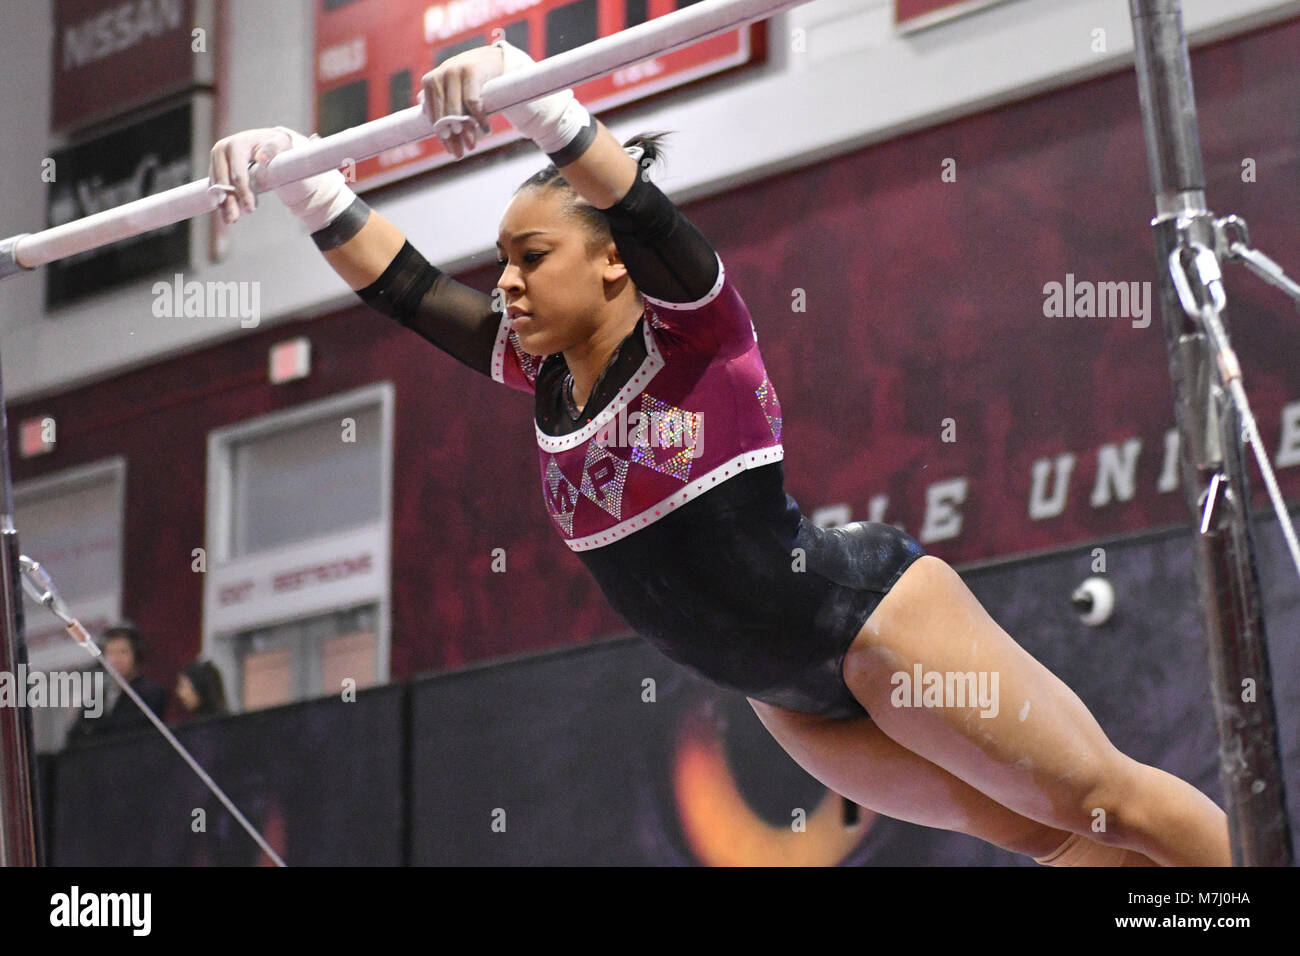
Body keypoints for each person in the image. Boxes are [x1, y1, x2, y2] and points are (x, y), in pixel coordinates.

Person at [209, 40, 1231, 866]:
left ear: (611, 260)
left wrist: (540, 105)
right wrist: (302, 179)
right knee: (1040, 834)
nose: (505, 285)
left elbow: (651, 217)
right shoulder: (543, 380)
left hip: (867, 621)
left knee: (1101, 799)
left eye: (529, 258)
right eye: (501, 266)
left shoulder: (696, 341)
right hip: (787, 697)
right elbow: (407, 288)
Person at [65, 623, 168, 746]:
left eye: (123, 652)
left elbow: (132, 729)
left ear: (136, 655)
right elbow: (75, 735)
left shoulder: (151, 692)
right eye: (111, 653)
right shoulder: (96, 699)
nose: (116, 659)